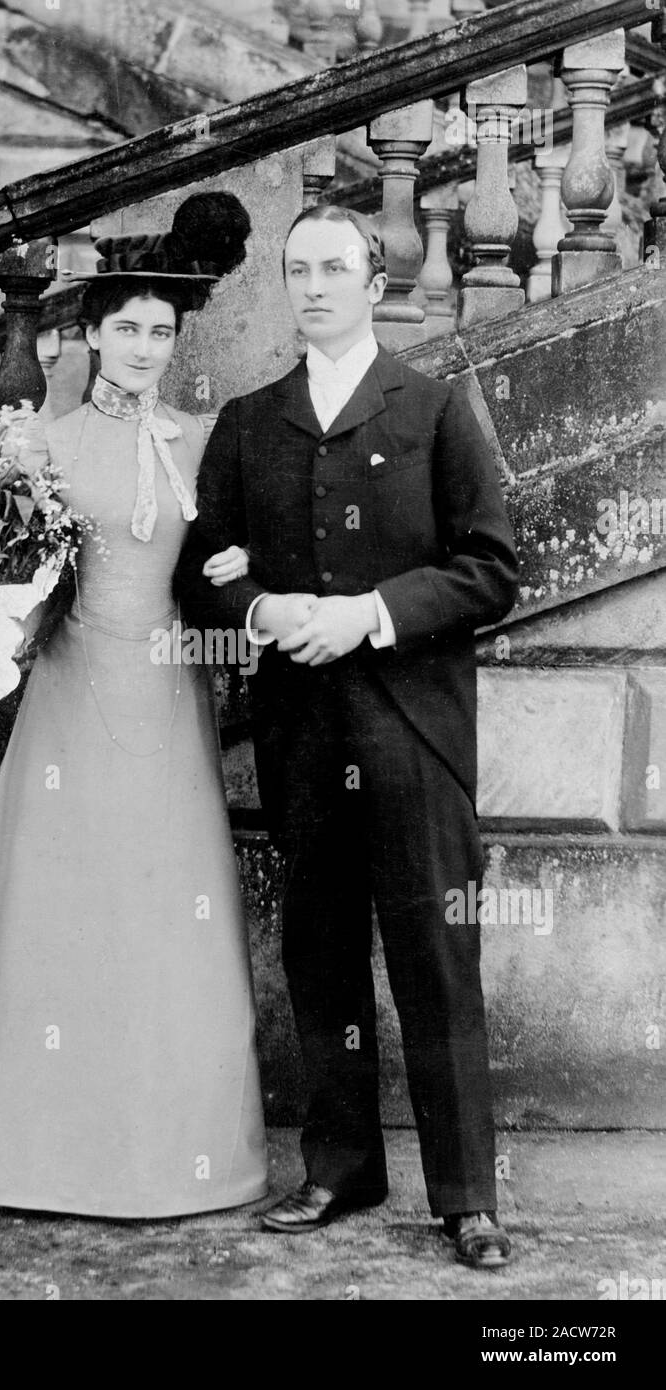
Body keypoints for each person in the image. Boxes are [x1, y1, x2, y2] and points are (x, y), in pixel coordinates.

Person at [0, 193, 269, 1218]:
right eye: (126, 329)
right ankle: (31, 1148)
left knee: (166, 906)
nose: (144, 347)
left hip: (170, 696)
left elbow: (227, 566)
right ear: (90, 335)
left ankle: (172, 1150)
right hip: (70, 696)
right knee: (63, 910)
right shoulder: (40, 446)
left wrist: (242, 572)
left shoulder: (205, 442)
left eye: (159, 331)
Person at [175, 204, 520, 1268]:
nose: (316, 285)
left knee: (435, 958)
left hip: (413, 728)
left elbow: (492, 569)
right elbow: (198, 576)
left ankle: (466, 1194)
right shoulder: (247, 422)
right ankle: (339, 1166)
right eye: (298, 270)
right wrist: (263, 614)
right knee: (320, 953)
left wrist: (365, 614)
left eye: (336, 268)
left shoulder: (431, 408)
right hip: (303, 733)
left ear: (377, 284)